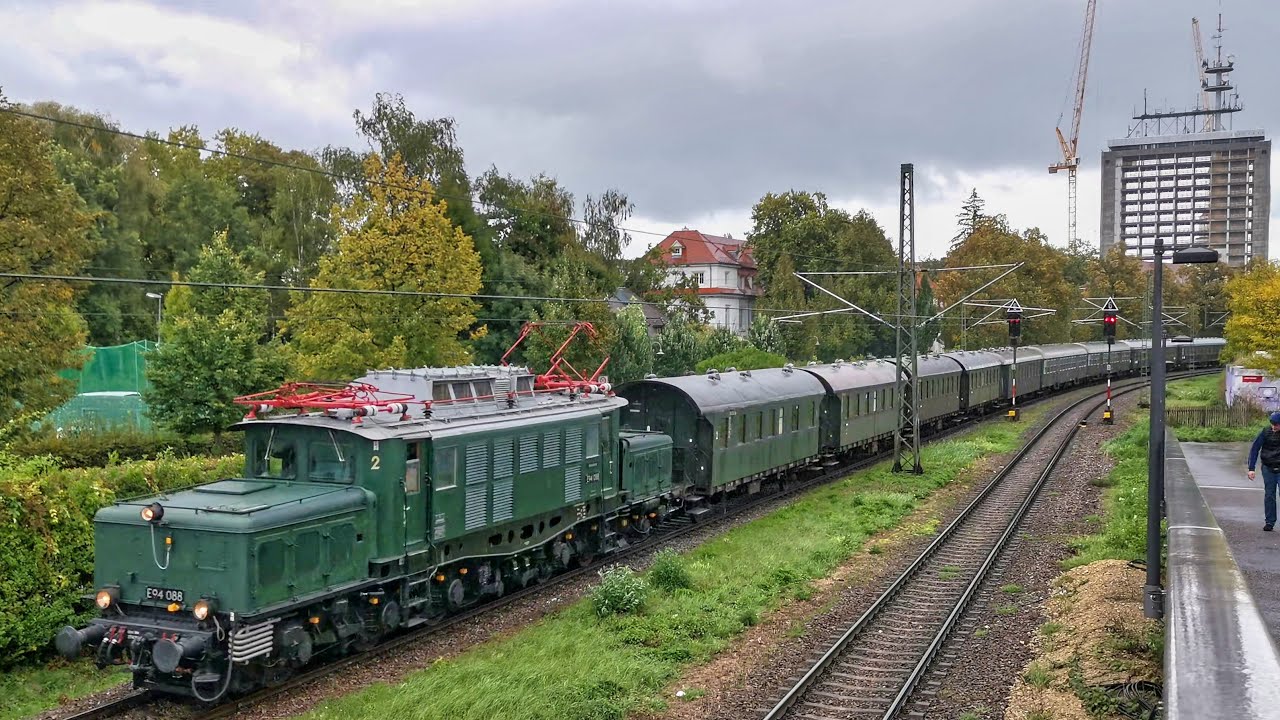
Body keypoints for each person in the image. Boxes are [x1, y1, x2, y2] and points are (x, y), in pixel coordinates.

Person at [1247, 411, 1280, 531]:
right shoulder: (1265, 432)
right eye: (1272, 424)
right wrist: (1251, 468)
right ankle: (1270, 522)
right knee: (1269, 495)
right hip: (1268, 468)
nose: (1274, 426)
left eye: (1276, 424)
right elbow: (1255, 449)